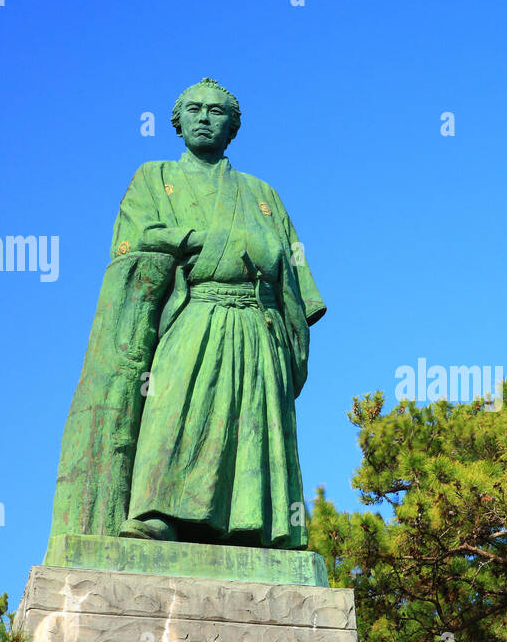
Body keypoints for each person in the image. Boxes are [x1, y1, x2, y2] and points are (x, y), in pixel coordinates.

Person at [46, 78, 325, 552]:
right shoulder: (153, 178)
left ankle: (252, 525)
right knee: (171, 407)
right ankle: (157, 513)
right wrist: (203, 241)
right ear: (176, 122)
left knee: (252, 424)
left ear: (233, 127)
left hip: (257, 326)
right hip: (192, 312)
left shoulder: (263, 194)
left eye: (217, 112)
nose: (203, 117)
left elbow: (294, 273)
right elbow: (133, 243)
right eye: (193, 109)